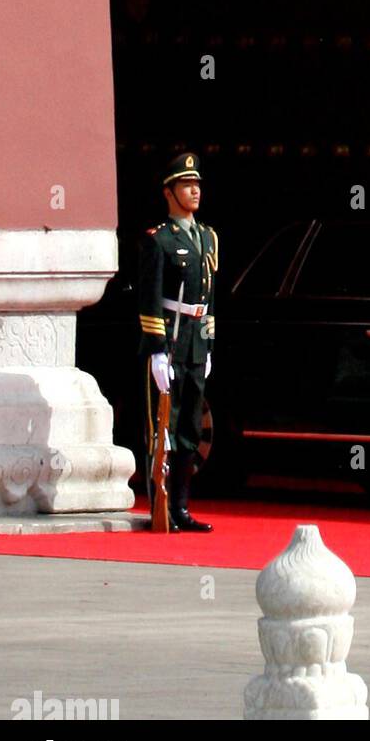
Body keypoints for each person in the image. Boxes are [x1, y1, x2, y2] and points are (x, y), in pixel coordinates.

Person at [138, 152, 218, 532]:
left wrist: (207, 345)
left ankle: (182, 508)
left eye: (198, 184)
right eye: (187, 185)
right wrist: (156, 350)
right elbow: (150, 299)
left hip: (194, 341)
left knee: (189, 427)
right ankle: (161, 505)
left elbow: (209, 297)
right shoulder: (160, 240)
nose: (195, 190)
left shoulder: (206, 237)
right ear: (169, 192)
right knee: (162, 426)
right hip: (169, 338)